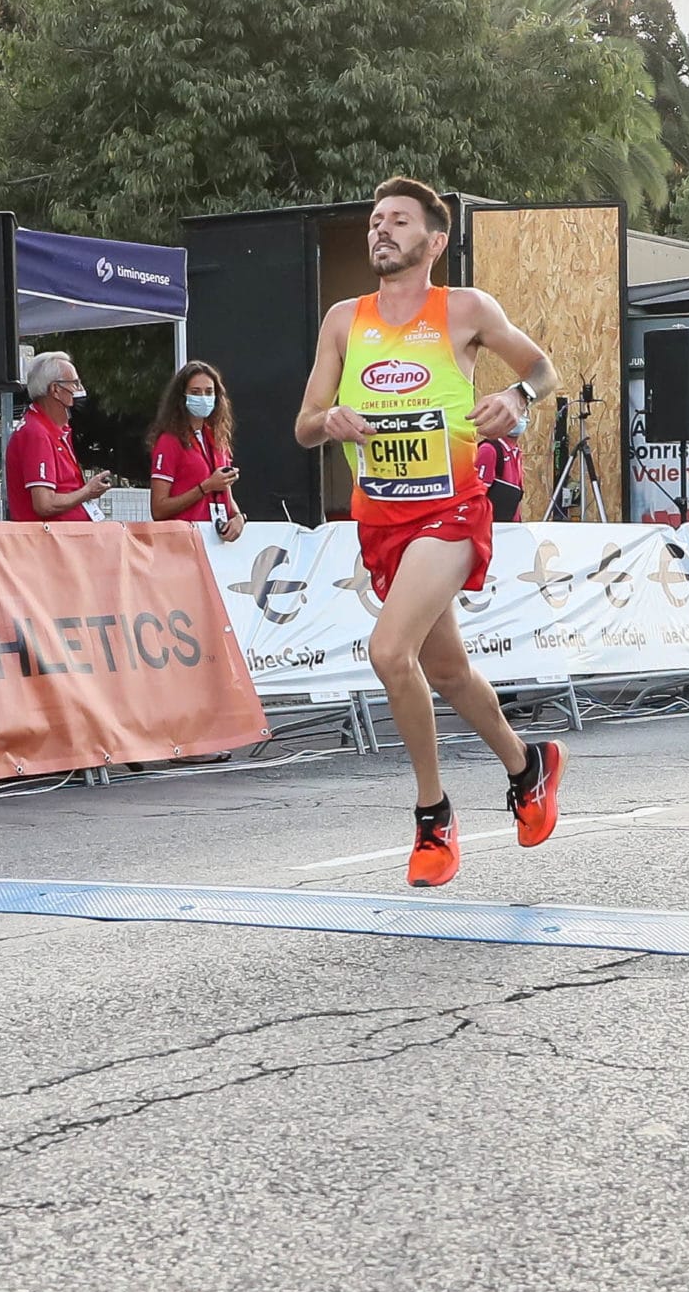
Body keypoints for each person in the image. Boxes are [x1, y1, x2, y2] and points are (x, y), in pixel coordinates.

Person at [295, 176, 565, 889]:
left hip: (450, 510)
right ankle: (527, 766)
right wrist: (331, 422)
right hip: (380, 517)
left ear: (434, 241)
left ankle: (433, 815)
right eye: (376, 221)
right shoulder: (343, 321)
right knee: (443, 669)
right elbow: (303, 423)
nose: (381, 230)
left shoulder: (466, 309)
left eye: (399, 221)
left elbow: (543, 368)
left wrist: (515, 395)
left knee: (390, 649)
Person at [3, 351, 112, 523]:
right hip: (52, 543)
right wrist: (88, 491)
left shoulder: (52, 429)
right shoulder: (37, 434)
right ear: (55, 389)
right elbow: (44, 504)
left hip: (65, 540)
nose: (80, 389)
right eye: (75, 383)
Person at [149, 362, 244, 540]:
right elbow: (158, 509)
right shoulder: (169, 441)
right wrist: (205, 487)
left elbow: (227, 496)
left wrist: (239, 518)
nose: (203, 397)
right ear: (182, 396)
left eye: (209, 392)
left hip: (216, 543)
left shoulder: (217, 438)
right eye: (195, 392)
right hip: (183, 544)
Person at [477, 423, 527, 524]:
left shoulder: (516, 452)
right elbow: (478, 494)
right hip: (493, 527)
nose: (516, 418)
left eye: (521, 412)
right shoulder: (489, 449)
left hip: (511, 524)